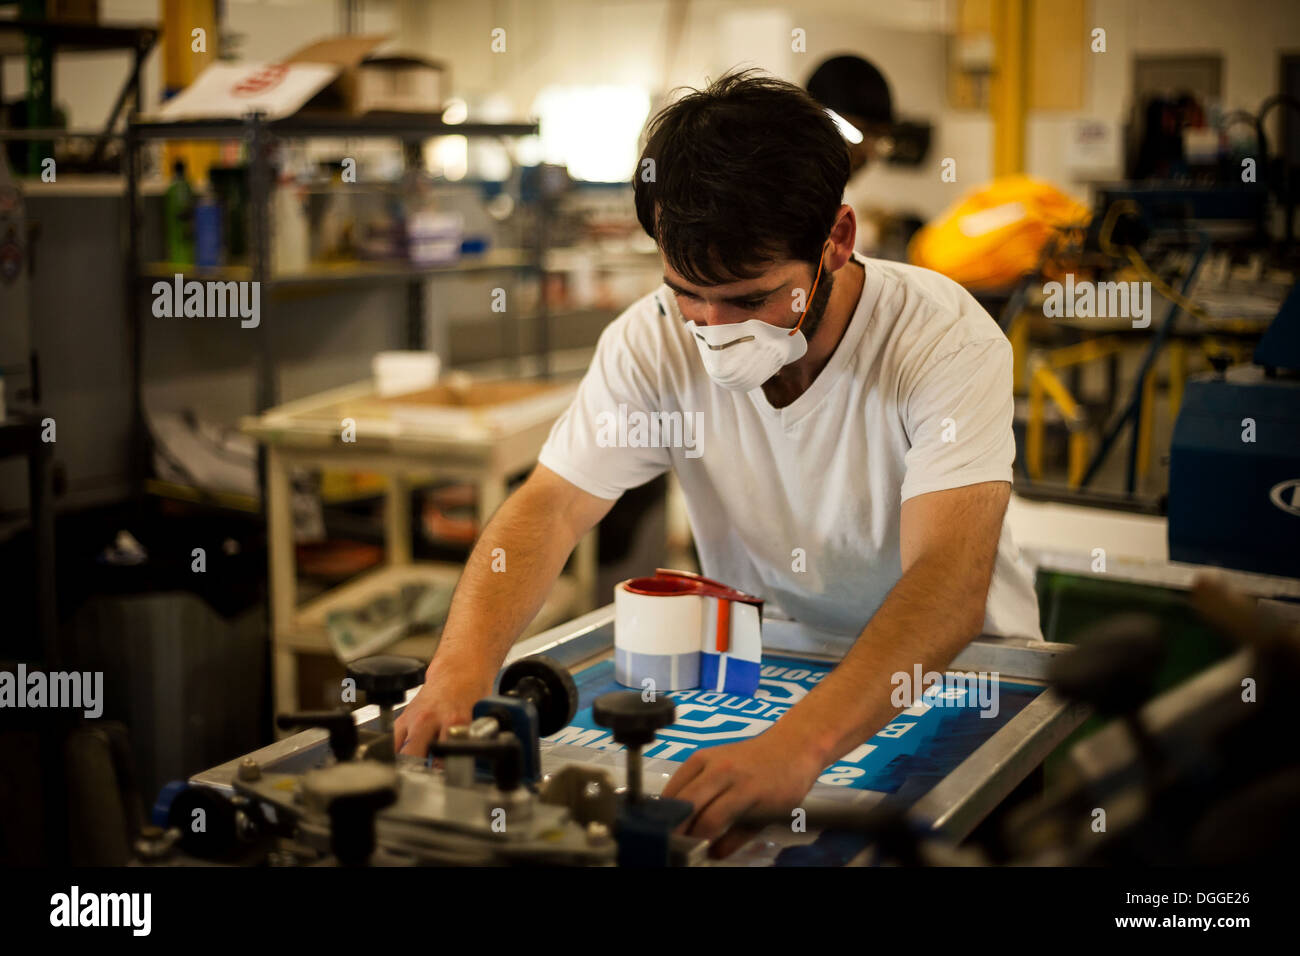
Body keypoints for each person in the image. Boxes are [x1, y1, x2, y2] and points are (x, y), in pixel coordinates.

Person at [395, 70, 1041, 856]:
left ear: (837, 240)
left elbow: (949, 580)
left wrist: (800, 748)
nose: (711, 327)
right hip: (772, 677)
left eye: (749, 299)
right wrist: (462, 667)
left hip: (965, 681)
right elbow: (551, 506)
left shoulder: (941, 339)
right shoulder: (651, 339)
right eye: (685, 292)